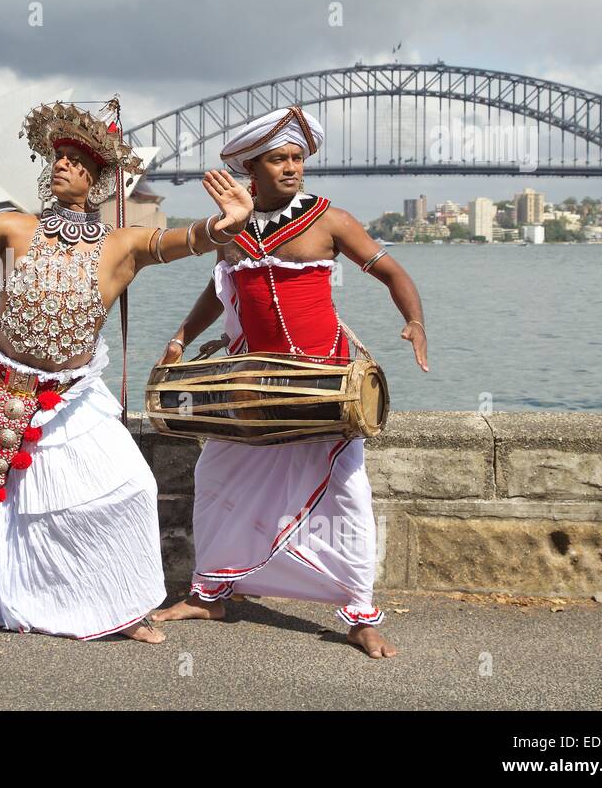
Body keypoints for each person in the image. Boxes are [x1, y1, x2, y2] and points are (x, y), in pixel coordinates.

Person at [0, 99, 254, 643]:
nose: (62, 165)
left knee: (128, 488)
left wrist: (226, 224)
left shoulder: (123, 244)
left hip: (70, 398)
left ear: (96, 180)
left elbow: (183, 241)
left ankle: (118, 609)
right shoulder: (17, 227)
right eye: (58, 157)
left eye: (76, 160)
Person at [150, 106, 428, 658]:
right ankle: (211, 593)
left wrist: (414, 322)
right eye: (279, 158)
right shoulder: (231, 228)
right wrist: (181, 337)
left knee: (345, 494)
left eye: (298, 158)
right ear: (252, 166)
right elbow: (219, 287)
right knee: (217, 478)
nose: (292, 167)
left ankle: (359, 615)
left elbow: (393, 273)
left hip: (321, 380)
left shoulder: (330, 219)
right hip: (252, 383)